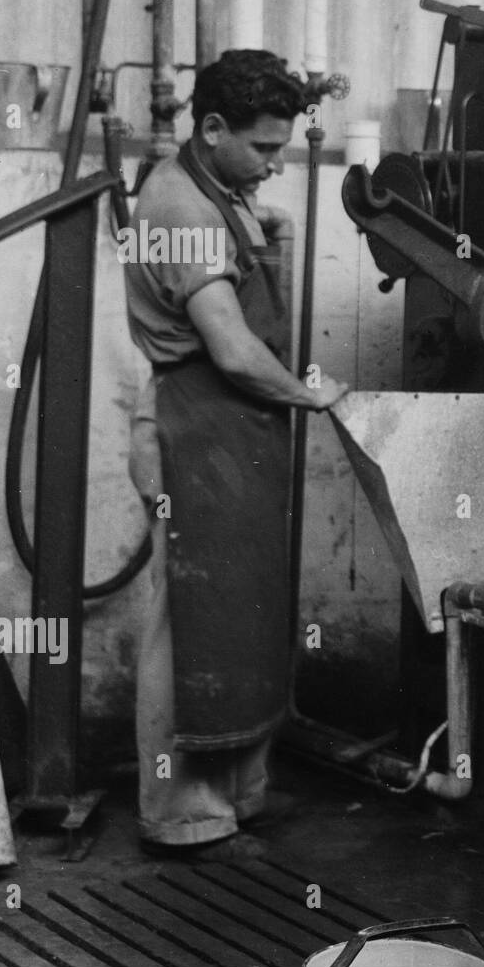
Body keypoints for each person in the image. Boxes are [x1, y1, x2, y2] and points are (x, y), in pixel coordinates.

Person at [122, 49, 347, 859]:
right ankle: (181, 811)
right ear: (211, 128)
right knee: (188, 623)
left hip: (234, 433)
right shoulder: (181, 205)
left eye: (282, 148)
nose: (273, 163)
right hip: (196, 425)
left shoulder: (223, 189)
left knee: (242, 609)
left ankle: (240, 793)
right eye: (261, 148)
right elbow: (233, 351)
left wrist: (270, 233)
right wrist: (312, 395)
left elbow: (245, 289)